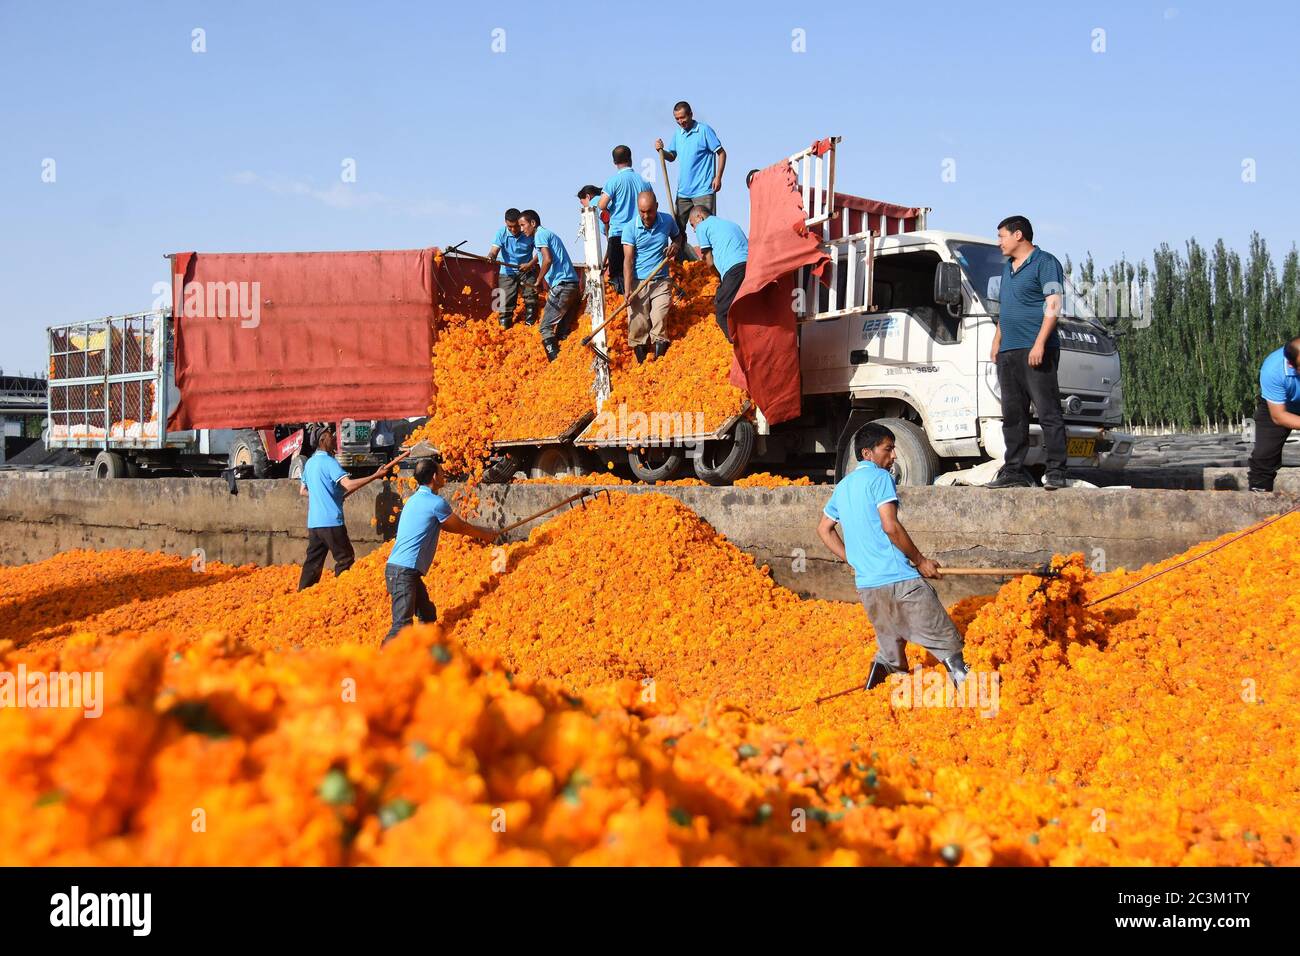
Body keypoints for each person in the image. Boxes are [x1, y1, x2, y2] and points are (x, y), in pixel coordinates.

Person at [816, 422, 969, 689]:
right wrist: (921, 561)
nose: (894, 455)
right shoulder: (880, 479)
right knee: (948, 642)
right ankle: (970, 691)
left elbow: (824, 529)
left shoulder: (843, 486)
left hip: (868, 588)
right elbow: (890, 525)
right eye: (888, 449)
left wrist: (853, 560)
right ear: (868, 453)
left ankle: (877, 686)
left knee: (890, 650)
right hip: (901, 582)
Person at [986, 215, 1069, 490]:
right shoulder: (1008, 270)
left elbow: (1053, 304)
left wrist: (1040, 343)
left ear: (1018, 235)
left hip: (1036, 350)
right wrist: (997, 340)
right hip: (1009, 352)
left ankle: (1056, 471)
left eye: (1002, 236)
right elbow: (1005, 310)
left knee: (1048, 412)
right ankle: (1014, 471)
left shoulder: (1045, 262)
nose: (999, 242)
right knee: (1013, 415)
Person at [382, 453, 496, 646]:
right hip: (403, 572)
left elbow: (447, 526)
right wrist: (485, 534)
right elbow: (460, 527)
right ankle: (381, 665)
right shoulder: (435, 503)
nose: (444, 475)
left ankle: (424, 653)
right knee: (401, 627)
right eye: (442, 472)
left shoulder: (414, 500)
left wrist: (482, 533)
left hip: (402, 570)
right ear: (434, 477)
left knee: (427, 614)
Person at [298, 427, 408, 592]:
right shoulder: (329, 462)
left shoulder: (310, 463)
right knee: (345, 559)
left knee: (312, 562)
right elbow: (348, 484)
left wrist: (327, 495)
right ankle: (342, 592)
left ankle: (303, 592)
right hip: (332, 522)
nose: (334, 439)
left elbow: (303, 491)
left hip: (315, 524)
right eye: (330, 437)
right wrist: (374, 476)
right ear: (322, 441)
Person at [655, 101, 725, 259]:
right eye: (677, 119)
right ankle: (682, 266)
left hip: (703, 190)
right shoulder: (678, 134)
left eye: (683, 118)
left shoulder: (704, 130)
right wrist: (661, 151)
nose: (681, 122)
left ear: (691, 114)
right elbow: (671, 156)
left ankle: (712, 267)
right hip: (683, 192)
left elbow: (721, 153)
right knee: (677, 230)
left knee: (706, 228)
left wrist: (718, 177)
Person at [621, 190, 681, 363]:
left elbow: (678, 237)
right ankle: (642, 365)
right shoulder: (630, 229)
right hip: (638, 282)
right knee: (638, 325)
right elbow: (628, 260)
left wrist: (675, 246)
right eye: (642, 212)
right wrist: (628, 290)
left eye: (649, 211)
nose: (646, 216)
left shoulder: (668, 220)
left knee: (659, 318)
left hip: (661, 280)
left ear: (656, 207)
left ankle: (659, 363)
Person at [519, 209, 580, 362]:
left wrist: (539, 280)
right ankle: (567, 359)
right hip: (572, 285)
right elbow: (540, 256)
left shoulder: (539, 235)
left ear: (533, 223)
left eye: (523, 225)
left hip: (562, 285)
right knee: (561, 330)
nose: (521, 229)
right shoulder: (546, 234)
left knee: (545, 327)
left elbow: (547, 259)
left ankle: (555, 364)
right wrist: (530, 264)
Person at [1247, 336, 1300, 492]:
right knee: (1264, 456)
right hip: (1279, 405)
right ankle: (1259, 498)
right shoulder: (1273, 370)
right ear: (1292, 365)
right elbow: (1279, 416)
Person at [688, 206, 748, 340]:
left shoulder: (702, 227)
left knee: (721, 312)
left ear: (699, 217)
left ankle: (739, 344)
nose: (694, 229)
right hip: (750, 268)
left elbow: (709, 261)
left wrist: (720, 277)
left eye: (692, 224)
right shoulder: (732, 224)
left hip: (733, 270)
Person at [597, 146, 652, 294]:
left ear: (614, 161)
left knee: (619, 275)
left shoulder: (614, 181)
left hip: (619, 233)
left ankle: (624, 302)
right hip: (640, 231)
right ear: (630, 158)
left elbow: (601, 204)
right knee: (638, 271)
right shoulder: (644, 181)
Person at [486, 208, 538, 329]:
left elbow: (540, 252)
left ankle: (530, 328)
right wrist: (491, 257)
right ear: (505, 223)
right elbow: (494, 251)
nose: (513, 230)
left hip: (527, 271)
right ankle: (504, 330)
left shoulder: (529, 233)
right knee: (505, 303)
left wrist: (530, 264)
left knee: (531, 299)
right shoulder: (501, 233)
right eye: (510, 227)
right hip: (507, 272)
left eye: (516, 226)